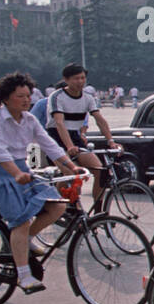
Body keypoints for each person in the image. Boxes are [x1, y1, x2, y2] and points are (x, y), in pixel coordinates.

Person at [0, 72, 79, 294]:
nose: (27, 100)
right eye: (20, 96)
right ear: (6, 98)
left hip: (22, 171)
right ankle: (24, 275)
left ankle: (23, 240)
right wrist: (16, 173)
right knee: (21, 221)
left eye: (28, 95)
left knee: (58, 205)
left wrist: (71, 166)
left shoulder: (29, 119)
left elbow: (49, 145)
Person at [48, 64, 120, 202]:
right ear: (66, 79)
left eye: (83, 78)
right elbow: (59, 123)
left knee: (100, 170)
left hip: (74, 136)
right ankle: (62, 204)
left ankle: (99, 212)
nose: (80, 81)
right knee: (70, 174)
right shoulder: (57, 96)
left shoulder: (88, 98)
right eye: (76, 78)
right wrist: (69, 146)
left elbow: (100, 120)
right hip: (56, 138)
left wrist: (110, 141)